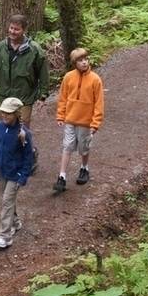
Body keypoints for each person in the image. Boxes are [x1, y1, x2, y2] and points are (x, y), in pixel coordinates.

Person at [0, 14, 49, 130]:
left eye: (17, 29)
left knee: (22, 130)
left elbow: (43, 75)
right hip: (4, 97)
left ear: (24, 30)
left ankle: (24, 142)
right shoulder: (0, 47)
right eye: (11, 28)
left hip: (24, 98)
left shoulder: (34, 50)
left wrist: (43, 96)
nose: (12, 31)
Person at [0, 97, 35, 249]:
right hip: (3, 172)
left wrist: (23, 176)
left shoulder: (23, 133)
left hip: (16, 174)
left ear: (16, 114)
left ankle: (5, 236)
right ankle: (16, 222)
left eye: (8, 113)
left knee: (6, 201)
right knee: (9, 200)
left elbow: (28, 157)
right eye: (3, 112)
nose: (4, 115)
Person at [53, 48, 105, 193]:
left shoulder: (95, 79)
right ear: (74, 63)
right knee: (67, 146)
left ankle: (84, 168)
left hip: (86, 122)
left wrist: (95, 123)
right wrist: (60, 115)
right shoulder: (68, 77)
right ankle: (62, 176)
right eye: (80, 60)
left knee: (84, 148)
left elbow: (99, 103)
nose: (84, 62)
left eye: (85, 59)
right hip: (70, 119)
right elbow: (63, 98)